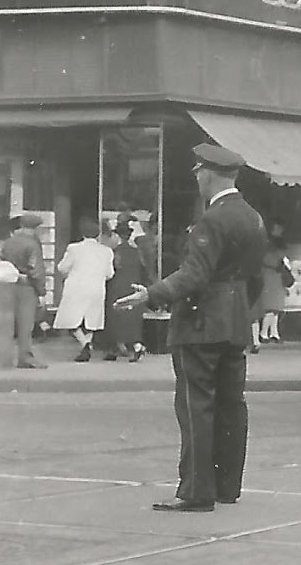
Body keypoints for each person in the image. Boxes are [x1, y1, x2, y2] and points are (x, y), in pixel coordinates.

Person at [115, 144, 267, 513]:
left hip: (201, 323)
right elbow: (256, 277)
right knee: (232, 405)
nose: (197, 177)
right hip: (234, 322)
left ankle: (197, 491)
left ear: (209, 174)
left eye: (198, 171)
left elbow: (195, 274)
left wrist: (152, 294)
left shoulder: (211, 220)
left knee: (196, 406)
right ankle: (227, 487)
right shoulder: (252, 217)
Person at [54, 215, 114, 363]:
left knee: (71, 319)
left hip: (76, 287)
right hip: (96, 288)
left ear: (82, 234)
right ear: (98, 234)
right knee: (92, 320)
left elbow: (62, 268)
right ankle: (87, 342)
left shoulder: (74, 249)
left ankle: (85, 343)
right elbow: (109, 273)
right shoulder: (106, 251)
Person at [0, 214, 48, 370]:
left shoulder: (8, 242)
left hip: (7, 285)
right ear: (36, 228)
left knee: (7, 323)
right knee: (25, 325)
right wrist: (41, 291)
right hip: (27, 287)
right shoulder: (32, 244)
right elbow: (36, 270)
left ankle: (1, 357)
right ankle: (25, 357)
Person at [105, 219, 150, 362]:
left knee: (116, 318)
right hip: (134, 287)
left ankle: (119, 346)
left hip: (117, 287)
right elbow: (145, 269)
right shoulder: (137, 252)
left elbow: (111, 271)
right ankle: (134, 345)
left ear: (117, 236)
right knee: (132, 320)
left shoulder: (115, 252)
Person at [253, 221, 291, 349]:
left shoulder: (268, 243)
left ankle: (273, 333)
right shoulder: (271, 244)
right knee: (272, 307)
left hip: (273, 275)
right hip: (272, 275)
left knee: (274, 307)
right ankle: (265, 333)